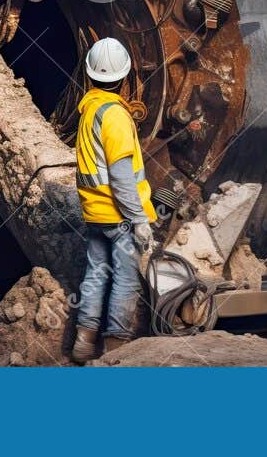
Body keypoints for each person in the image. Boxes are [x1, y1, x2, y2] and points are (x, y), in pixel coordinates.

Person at [68, 38, 158, 364]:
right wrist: (139, 220)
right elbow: (121, 177)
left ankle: (83, 341)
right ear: (125, 77)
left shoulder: (88, 110)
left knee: (95, 275)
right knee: (126, 279)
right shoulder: (115, 117)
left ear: (90, 75)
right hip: (119, 216)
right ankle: (116, 350)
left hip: (94, 213)